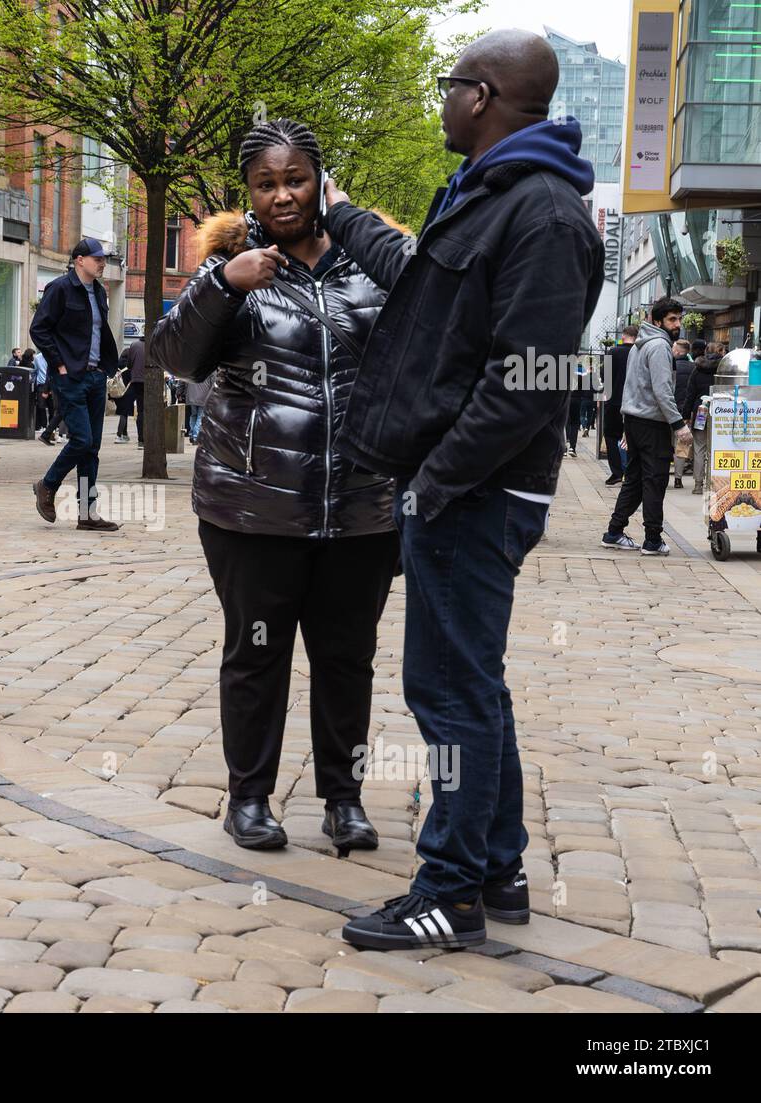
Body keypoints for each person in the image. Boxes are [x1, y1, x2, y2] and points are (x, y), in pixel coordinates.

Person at [321, 29, 605, 950]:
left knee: (448, 692)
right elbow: (422, 289)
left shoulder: (545, 215)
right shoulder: (490, 196)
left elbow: (529, 379)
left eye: (448, 87)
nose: (439, 102)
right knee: (472, 683)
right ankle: (498, 864)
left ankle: (451, 889)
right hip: (456, 487)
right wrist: (345, 214)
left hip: (474, 493)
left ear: (480, 96)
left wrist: (435, 483)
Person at [154, 118, 398, 853]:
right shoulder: (232, 267)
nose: (283, 195)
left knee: (347, 656)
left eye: (296, 179)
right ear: (249, 193)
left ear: (323, 180)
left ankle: (343, 799)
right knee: (256, 652)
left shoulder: (369, 260)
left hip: (359, 505)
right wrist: (224, 285)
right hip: (251, 505)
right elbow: (174, 359)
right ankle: (250, 797)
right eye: (267, 183)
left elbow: (425, 326)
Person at [30, 237, 121, 531]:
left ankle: (88, 514)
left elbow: (99, 332)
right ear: (80, 260)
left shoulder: (99, 292)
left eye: (103, 258)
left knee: (91, 447)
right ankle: (47, 484)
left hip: (95, 376)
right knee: (81, 440)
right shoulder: (60, 288)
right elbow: (39, 329)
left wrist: (107, 366)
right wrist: (59, 363)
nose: (102, 262)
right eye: (96, 258)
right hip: (70, 377)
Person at [601, 297, 690, 556]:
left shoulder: (640, 344)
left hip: (636, 420)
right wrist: (678, 424)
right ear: (658, 320)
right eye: (672, 319)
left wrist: (629, 422)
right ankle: (652, 539)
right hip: (652, 422)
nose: (677, 324)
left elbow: (631, 385)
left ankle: (614, 531)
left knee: (636, 479)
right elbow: (663, 391)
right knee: (655, 480)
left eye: (679, 319)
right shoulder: (660, 346)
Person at [602, 325, 638, 485]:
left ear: (623, 336)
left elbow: (604, 376)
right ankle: (631, 472)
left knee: (611, 435)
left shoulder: (614, 352)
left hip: (615, 400)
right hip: (635, 402)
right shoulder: (638, 352)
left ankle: (616, 472)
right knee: (633, 437)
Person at [683, 341, 720, 495]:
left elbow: (690, 394)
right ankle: (714, 484)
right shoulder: (722, 369)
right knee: (717, 449)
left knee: (699, 448)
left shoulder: (697, 370)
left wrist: (685, 416)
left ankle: (698, 484)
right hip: (720, 412)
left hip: (701, 411)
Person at [671, 338, 696, 488]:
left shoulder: (671, 367)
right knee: (680, 445)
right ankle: (678, 479)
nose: (672, 352)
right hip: (684, 412)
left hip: (668, 410)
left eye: (674, 349)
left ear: (679, 351)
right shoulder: (694, 367)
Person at [114, 337, 146, 445]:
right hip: (142, 384)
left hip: (131, 384)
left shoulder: (133, 345)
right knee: (142, 411)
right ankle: (140, 439)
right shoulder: (153, 346)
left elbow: (129, 365)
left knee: (127, 410)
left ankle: (123, 434)